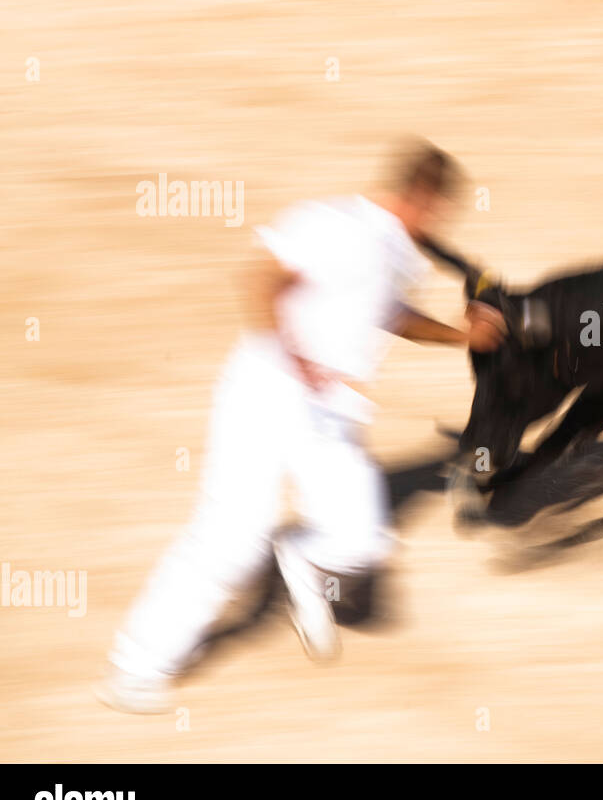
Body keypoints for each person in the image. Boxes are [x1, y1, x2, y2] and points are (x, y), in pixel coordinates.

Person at [96, 141, 505, 714]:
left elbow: (392, 317)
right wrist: (297, 361)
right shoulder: (332, 223)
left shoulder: (400, 256)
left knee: (360, 538)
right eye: (439, 213)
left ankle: (301, 559)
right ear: (426, 201)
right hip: (266, 393)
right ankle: (135, 669)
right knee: (231, 538)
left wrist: (464, 337)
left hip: (331, 412)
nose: (438, 225)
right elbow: (260, 280)